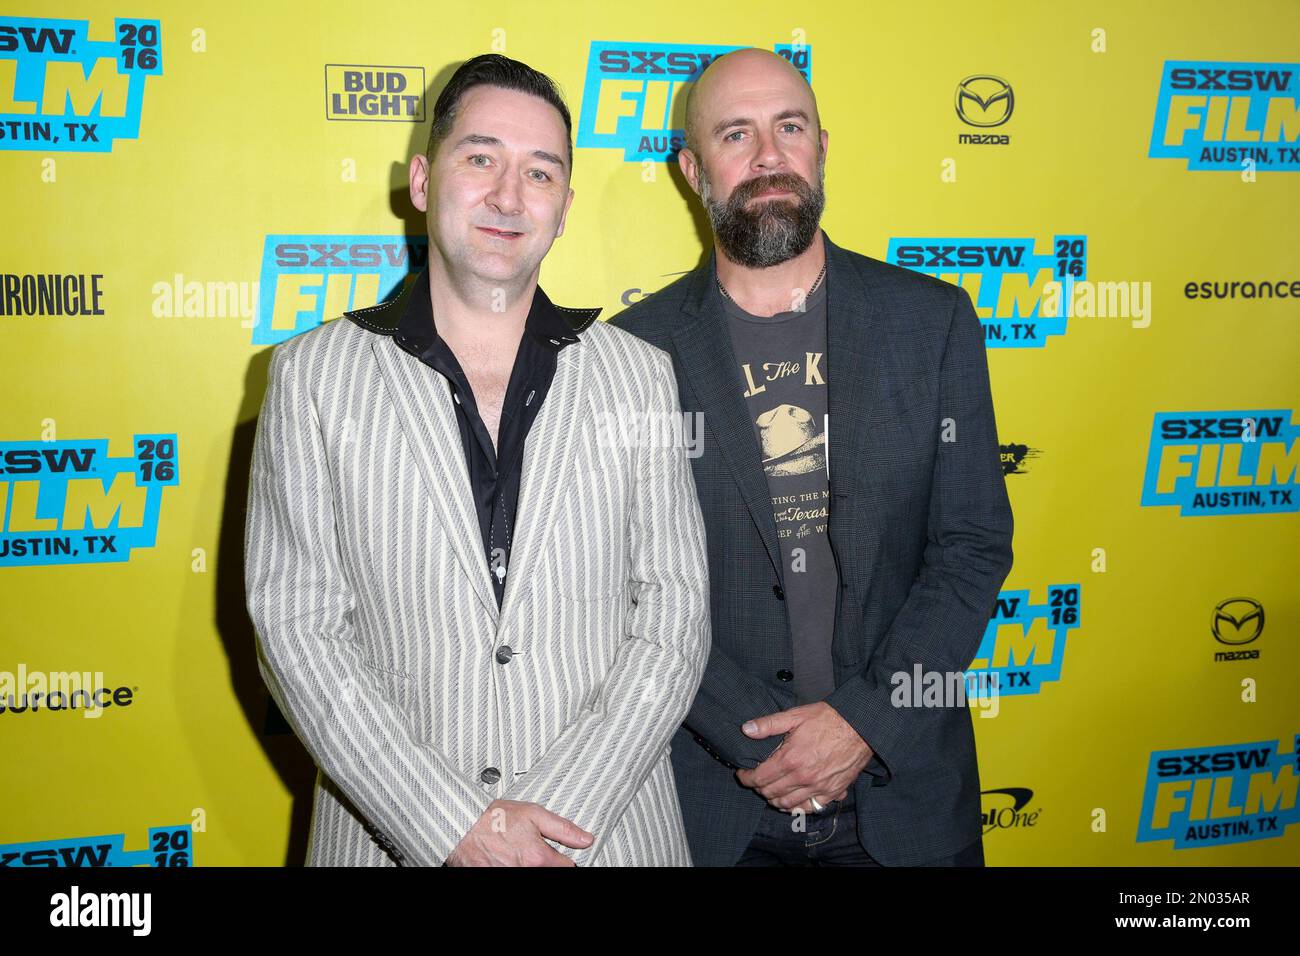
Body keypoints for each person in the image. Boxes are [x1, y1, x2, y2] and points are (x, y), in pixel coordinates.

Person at [244, 54, 709, 867]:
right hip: (390, 840)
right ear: (423, 180)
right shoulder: (310, 376)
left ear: (563, 208)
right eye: (481, 157)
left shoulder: (642, 375)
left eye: (541, 172)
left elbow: (674, 615)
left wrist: (555, 817)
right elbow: (296, 629)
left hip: (604, 839)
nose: (507, 194)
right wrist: (453, 825)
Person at [611, 48, 1013, 866]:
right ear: (693, 169)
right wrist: (757, 744)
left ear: (821, 146)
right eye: (735, 134)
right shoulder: (629, 355)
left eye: (788, 127)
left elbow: (971, 547)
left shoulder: (929, 322)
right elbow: (616, 585)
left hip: (903, 799)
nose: (768, 156)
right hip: (712, 807)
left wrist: (865, 720)